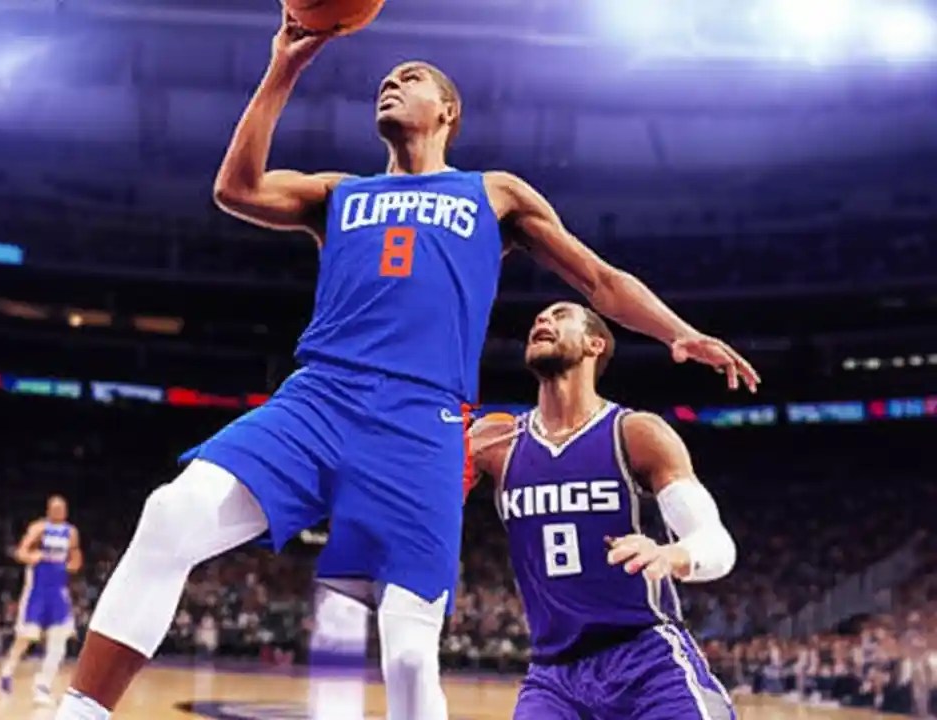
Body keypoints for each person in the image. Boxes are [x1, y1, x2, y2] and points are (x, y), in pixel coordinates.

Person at [55, 13, 759, 720]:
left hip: (422, 419)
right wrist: (285, 67)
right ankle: (79, 712)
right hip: (319, 398)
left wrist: (678, 333)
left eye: (410, 78)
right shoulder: (337, 192)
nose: (390, 83)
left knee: (411, 650)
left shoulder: (494, 192)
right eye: (386, 81)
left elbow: (599, 281)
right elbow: (236, 190)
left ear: (448, 111)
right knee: (170, 512)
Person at [468, 302, 738, 719]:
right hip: (552, 674)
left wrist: (671, 555)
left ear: (595, 344)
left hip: (646, 659)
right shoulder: (495, 444)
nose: (542, 320)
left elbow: (717, 544)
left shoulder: (636, 433)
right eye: (538, 316)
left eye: (560, 315)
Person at [0, 496, 82, 706]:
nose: (59, 511)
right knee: (26, 637)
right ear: (48, 510)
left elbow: (75, 556)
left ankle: (43, 686)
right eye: (55, 508)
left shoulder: (71, 532)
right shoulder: (39, 528)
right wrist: (31, 557)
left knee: (59, 640)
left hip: (58, 591)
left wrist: (73, 565)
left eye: (62, 508)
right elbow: (20, 552)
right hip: (37, 589)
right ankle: (7, 671)